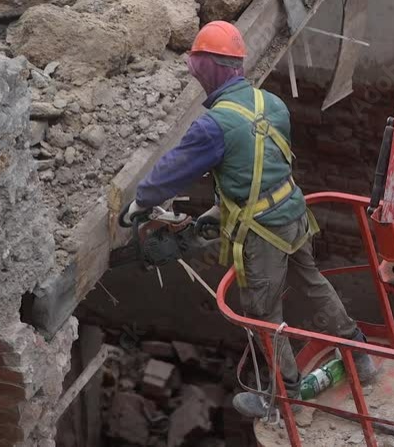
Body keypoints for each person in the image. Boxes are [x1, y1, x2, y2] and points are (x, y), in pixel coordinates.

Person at [121, 21, 377, 418]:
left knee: (263, 313)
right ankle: (359, 355)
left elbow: (172, 172)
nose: (193, 72)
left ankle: (284, 396)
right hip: (293, 213)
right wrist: (218, 211)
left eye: (196, 64)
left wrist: (141, 203)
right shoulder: (271, 104)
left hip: (263, 233)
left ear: (210, 68)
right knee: (312, 284)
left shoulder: (213, 125)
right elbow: (260, 167)